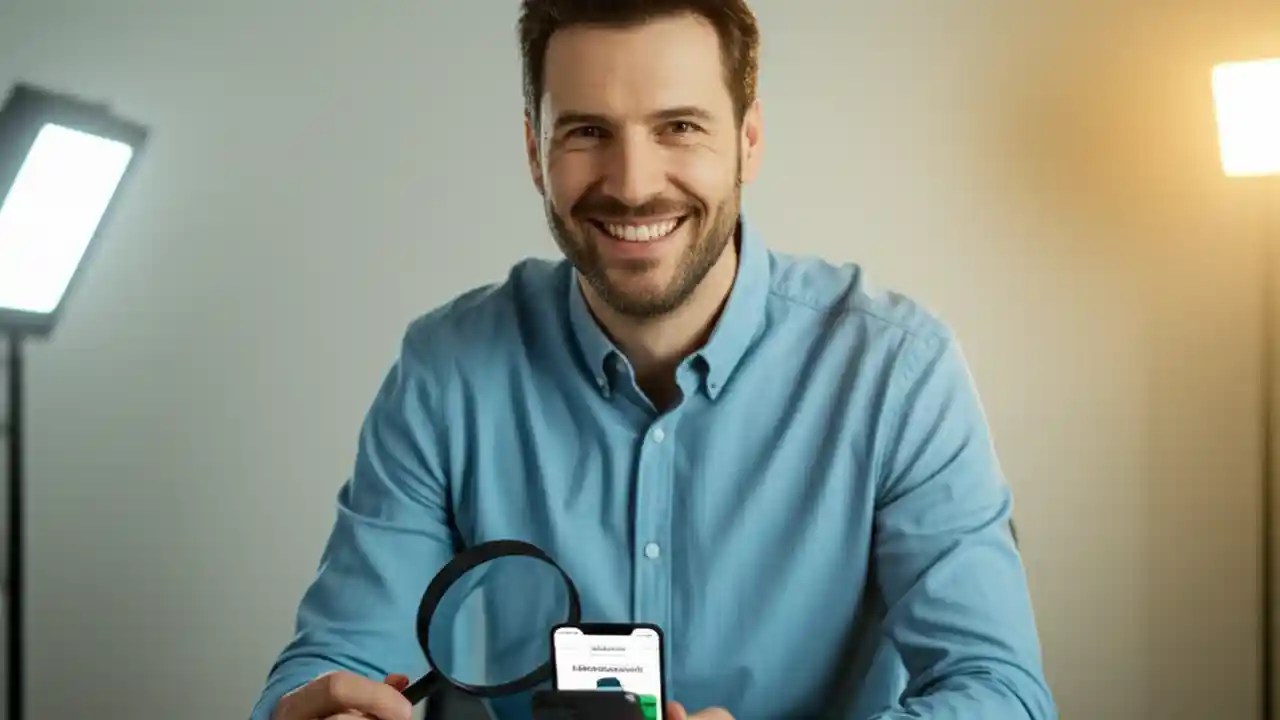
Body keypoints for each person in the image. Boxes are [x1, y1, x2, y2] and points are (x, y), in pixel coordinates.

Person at [250, 1, 1057, 719]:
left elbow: (1002, 692)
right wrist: (327, 710)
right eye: (588, 131)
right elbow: (343, 656)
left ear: (747, 140)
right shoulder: (445, 369)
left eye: (679, 126)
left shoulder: (898, 374)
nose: (633, 186)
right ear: (536, 151)